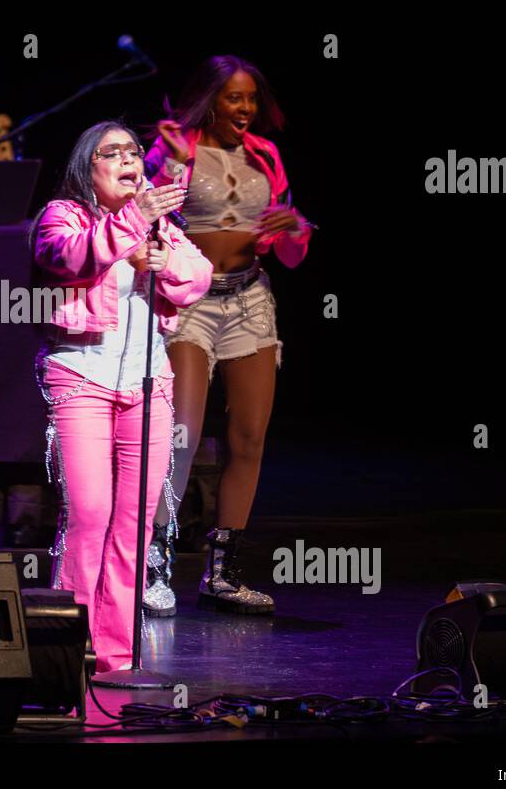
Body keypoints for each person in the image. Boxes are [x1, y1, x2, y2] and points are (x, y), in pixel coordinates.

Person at [31, 121, 212, 673]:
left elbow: (197, 275)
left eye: (134, 152)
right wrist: (132, 228)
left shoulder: (157, 225)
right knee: (89, 512)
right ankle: (70, 648)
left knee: (133, 521)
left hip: (147, 384)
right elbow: (67, 259)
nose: (130, 160)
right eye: (113, 153)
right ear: (89, 169)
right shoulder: (63, 215)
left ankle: (115, 652)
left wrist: (163, 260)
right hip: (80, 376)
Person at [141, 56, 313, 615]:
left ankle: (222, 574)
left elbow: (287, 252)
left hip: (250, 302)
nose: (245, 109)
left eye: (252, 99)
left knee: (249, 439)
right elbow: (144, 213)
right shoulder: (178, 146)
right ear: (211, 99)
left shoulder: (267, 156)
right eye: (234, 98)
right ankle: (153, 563)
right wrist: (168, 162)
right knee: (183, 435)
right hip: (189, 302)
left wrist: (295, 229)